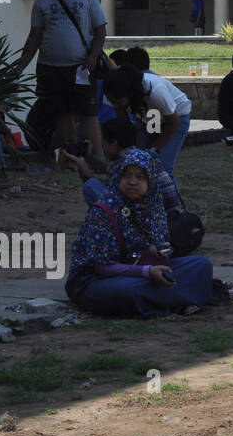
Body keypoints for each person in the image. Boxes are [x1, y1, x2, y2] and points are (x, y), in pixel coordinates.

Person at [67, 148, 215, 318]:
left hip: (139, 268)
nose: (132, 182)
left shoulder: (153, 208)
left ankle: (167, 300)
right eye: (127, 175)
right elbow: (103, 268)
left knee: (201, 265)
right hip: (96, 279)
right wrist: (147, 272)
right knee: (131, 289)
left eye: (140, 177)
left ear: (150, 181)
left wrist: (159, 253)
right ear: (118, 178)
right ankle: (176, 300)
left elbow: (155, 256)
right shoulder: (103, 211)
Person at [12, 0, 107, 171]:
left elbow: (101, 30)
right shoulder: (42, 1)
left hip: (81, 68)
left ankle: (98, 160)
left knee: (88, 114)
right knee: (61, 114)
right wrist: (19, 68)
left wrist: (92, 57)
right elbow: (34, 37)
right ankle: (73, 161)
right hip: (50, 69)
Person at [61, 116, 182, 214]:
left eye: (104, 145)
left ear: (113, 144)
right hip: (171, 215)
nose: (103, 150)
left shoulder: (122, 162)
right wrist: (89, 157)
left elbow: (107, 196)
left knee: (90, 186)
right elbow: (108, 171)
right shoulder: (142, 155)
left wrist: (83, 168)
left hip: (150, 221)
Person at [116, 47, 194, 173]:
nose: (115, 104)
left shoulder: (156, 90)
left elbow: (174, 123)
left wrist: (153, 149)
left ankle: (168, 192)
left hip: (176, 116)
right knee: (141, 162)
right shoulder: (124, 87)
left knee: (162, 165)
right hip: (153, 116)